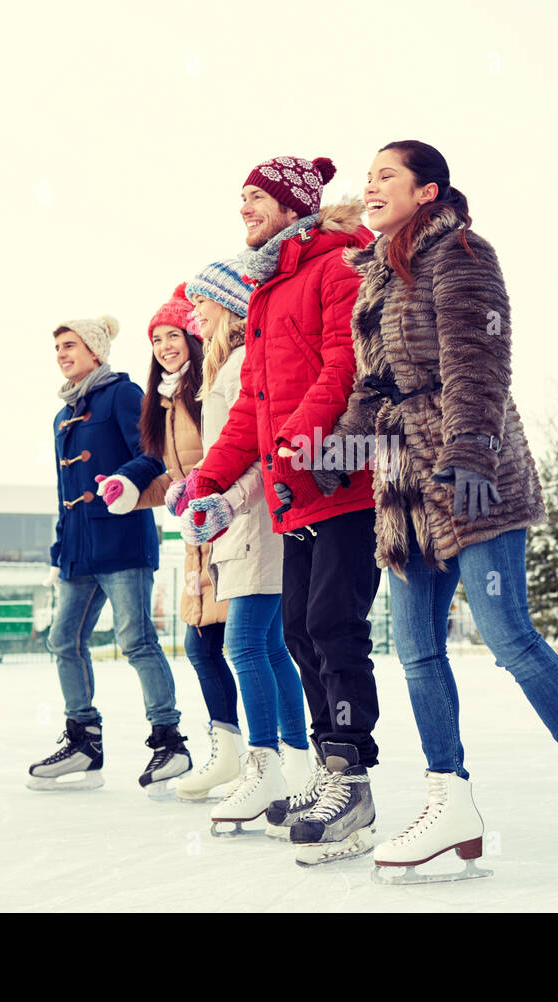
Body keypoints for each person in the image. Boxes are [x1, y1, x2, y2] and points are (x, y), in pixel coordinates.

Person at [320, 140, 558, 890]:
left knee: (507, 635)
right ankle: (450, 804)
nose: (370, 187)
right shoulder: (376, 275)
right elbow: (374, 385)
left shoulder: (461, 253)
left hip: (470, 470)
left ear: (428, 190)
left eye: (386, 176)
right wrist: (339, 446)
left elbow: (478, 362)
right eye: (367, 178)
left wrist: (469, 449)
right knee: (415, 649)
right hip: (403, 480)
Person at [179, 154, 381, 865]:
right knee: (297, 629)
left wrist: (298, 443)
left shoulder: (337, 266)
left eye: (254, 199)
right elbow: (250, 415)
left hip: (341, 482)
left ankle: (351, 777)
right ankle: (329, 773)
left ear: (294, 203)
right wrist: (207, 478)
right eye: (239, 201)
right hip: (296, 494)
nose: (243, 210)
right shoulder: (267, 291)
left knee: (334, 625)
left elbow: (344, 365)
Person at [175, 259, 312, 833]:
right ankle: (296, 765)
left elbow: (252, 452)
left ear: (230, 306)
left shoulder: (235, 371)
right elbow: (222, 455)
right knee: (271, 646)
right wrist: (193, 488)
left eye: (202, 302)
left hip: (254, 525)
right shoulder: (224, 371)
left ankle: (266, 765)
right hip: (243, 524)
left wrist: (221, 500)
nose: (194, 314)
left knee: (246, 645)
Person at [28, 314, 192, 794]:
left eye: (70, 345)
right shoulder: (62, 416)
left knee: (136, 639)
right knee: (63, 640)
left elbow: (154, 452)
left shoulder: (122, 394)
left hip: (120, 540)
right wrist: (60, 549)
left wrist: (123, 480)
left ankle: (169, 741)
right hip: (78, 551)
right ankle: (84, 740)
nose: (61, 354)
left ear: (95, 350)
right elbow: (64, 491)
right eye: (57, 347)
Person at [130, 284, 245, 799]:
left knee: (245, 646)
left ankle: (267, 752)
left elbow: (224, 451)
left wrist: (192, 485)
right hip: (198, 539)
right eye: (156, 339)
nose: (164, 346)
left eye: (173, 334)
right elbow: (174, 475)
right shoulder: (166, 398)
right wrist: (130, 492)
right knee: (204, 646)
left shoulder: (207, 385)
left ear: (193, 338)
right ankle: (231, 748)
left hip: (232, 524)